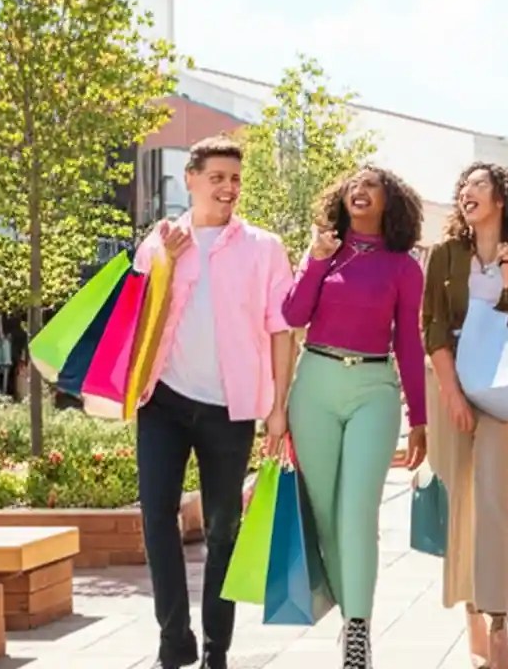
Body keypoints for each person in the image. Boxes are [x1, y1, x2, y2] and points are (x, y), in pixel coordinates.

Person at [132, 134, 295, 669]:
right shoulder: (159, 243)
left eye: (235, 179)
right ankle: (172, 638)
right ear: (192, 179)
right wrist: (165, 266)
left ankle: (216, 647)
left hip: (230, 409)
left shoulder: (263, 248)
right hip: (165, 403)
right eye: (218, 177)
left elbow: (280, 329)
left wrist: (278, 407)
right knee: (157, 517)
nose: (229, 188)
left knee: (224, 529)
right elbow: (140, 322)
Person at [279, 165, 428, 669]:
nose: (360, 191)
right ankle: (349, 620)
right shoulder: (323, 251)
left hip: (374, 390)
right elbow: (294, 315)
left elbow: (408, 342)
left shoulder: (404, 266)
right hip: (315, 385)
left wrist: (420, 419)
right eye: (353, 185)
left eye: (372, 185)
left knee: (357, 513)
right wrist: (317, 262)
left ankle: (359, 633)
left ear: (391, 201)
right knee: (324, 515)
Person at [421, 161, 508, 669]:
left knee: (496, 496)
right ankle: (472, 614)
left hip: (502, 381)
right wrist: (450, 392)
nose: (466, 191)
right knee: (460, 503)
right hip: (448, 376)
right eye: (463, 186)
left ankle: (499, 623)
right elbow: (431, 324)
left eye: (478, 184)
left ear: (502, 198)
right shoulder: (445, 253)